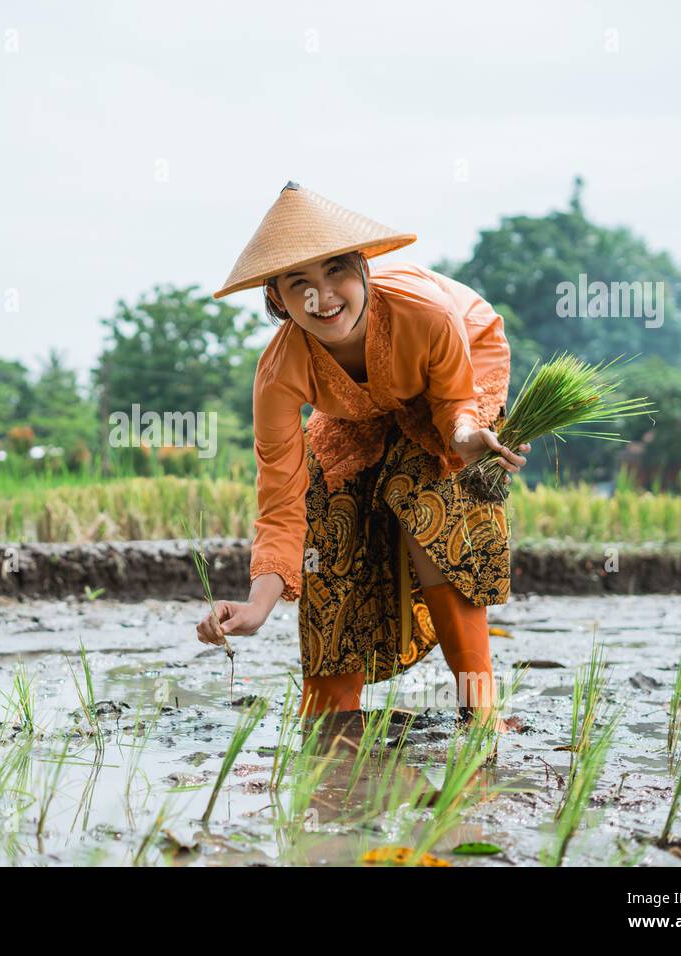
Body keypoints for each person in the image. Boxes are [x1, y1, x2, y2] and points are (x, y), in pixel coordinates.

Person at [197, 182, 530, 731]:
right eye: (298, 283)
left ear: (365, 272)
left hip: (464, 358)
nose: (322, 297)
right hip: (364, 405)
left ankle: (479, 707)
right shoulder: (280, 371)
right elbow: (284, 503)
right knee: (331, 510)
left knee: (425, 494)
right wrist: (257, 606)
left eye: (336, 273)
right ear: (278, 299)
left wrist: (468, 439)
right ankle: (332, 712)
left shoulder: (426, 316)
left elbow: (451, 406)